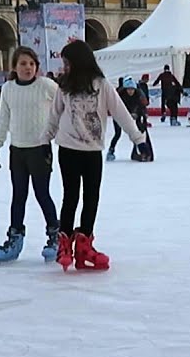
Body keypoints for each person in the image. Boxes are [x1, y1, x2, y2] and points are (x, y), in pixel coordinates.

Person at [39, 40, 148, 272]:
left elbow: (121, 112)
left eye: (67, 63)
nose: (64, 67)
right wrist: (44, 141)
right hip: (68, 150)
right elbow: (54, 116)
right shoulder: (64, 87)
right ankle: (65, 244)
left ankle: (84, 245)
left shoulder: (102, 85)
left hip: (92, 152)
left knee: (91, 197)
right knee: (70, 197)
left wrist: (138, 139)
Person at [0, 47, 61, 264]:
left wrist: (61, 133)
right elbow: (3, 118)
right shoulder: (8, 89)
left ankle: (55, 236)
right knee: (18, 195)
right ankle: (14, 238)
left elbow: (63, 106)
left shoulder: (46, 86)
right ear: (14, 67)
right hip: (18, 150)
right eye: (23, 63)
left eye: (31, 63)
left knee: (42, 194)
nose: (28, 67)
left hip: (40, 149)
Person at [108, 77, 148, 160]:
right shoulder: (120, 96)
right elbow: (115, 107)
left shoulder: (138, 96)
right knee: (117, 134)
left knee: (136, 133)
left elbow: (141, 107)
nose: (130, 91)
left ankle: (139, 152)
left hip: (132, 117)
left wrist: (141, 115)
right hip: (119, 116)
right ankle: (111, 151)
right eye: (128, 89)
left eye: (132, 89)